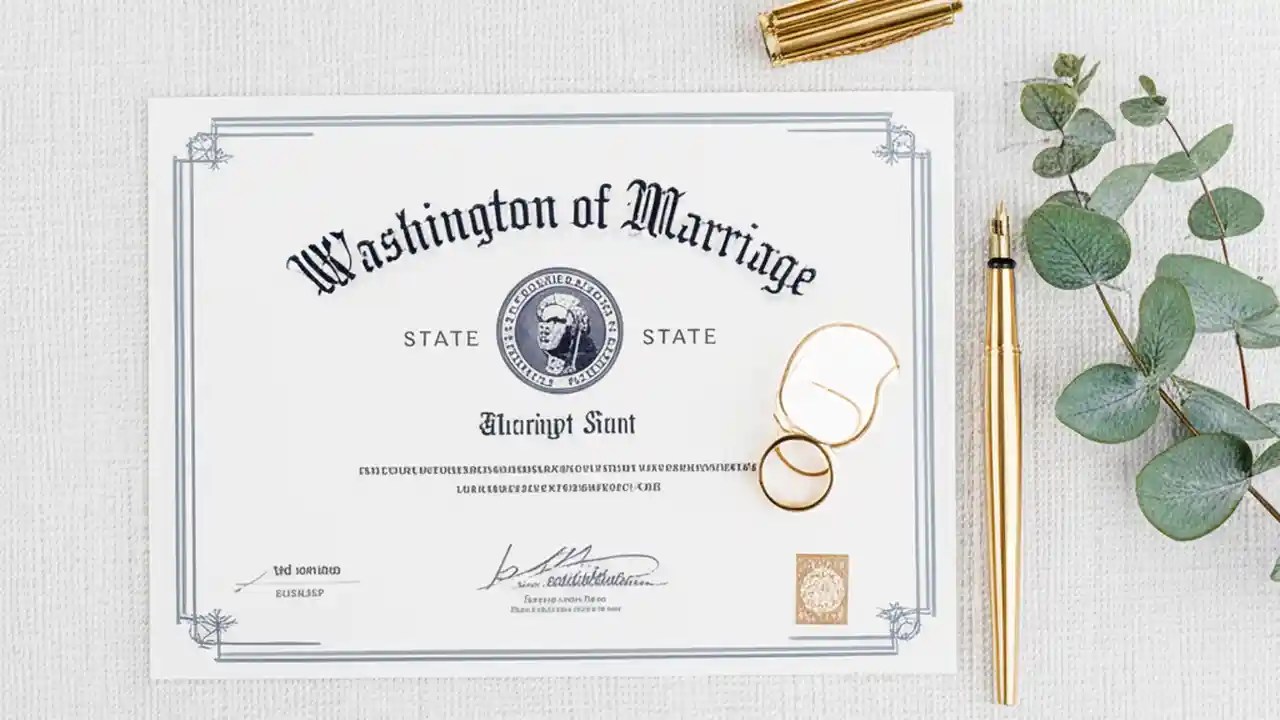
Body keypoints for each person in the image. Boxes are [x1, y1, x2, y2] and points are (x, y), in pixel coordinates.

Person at [534, 293, 598, 375]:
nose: (544, 328)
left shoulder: (589, 362)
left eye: (556, 321)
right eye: (543, 321)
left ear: (573, 329)